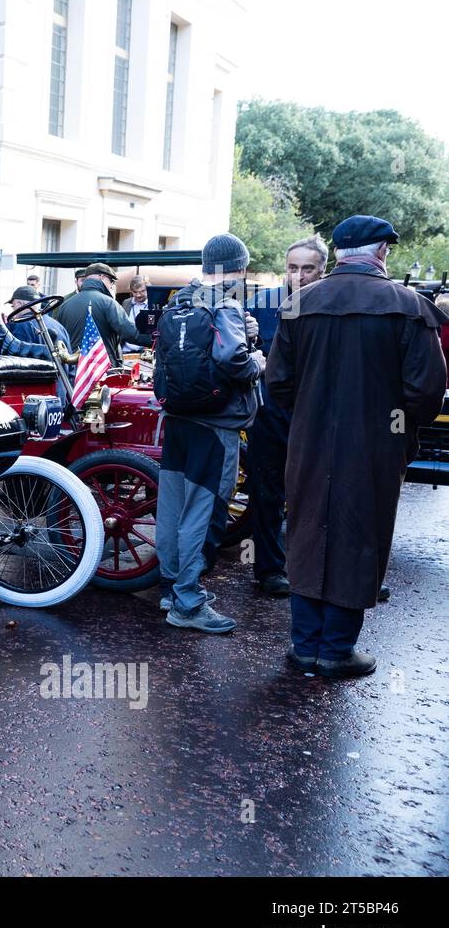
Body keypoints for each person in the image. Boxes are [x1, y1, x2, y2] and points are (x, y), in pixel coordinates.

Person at [266, 215, 446, 678]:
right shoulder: (408, 305)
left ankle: (306, 647)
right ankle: (336, 651)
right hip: (375, 444)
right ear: (382, 252)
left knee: (306, 530)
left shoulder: (301, 303)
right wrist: (400, 430)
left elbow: (278, 383)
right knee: (360, 536)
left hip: (308, 440)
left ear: (339, 252)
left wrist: (306, 417)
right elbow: (427, 390)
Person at [153, 233, 264, 634]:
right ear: (240, 266)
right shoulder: (226, 303)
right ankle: (187, 601)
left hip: (179, 419)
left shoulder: (179, 301)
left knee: (171, 509)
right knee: (206, 511)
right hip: (217, 424)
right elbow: (233, 360)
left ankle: (170, 588)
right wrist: (258, 360)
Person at [243, 234, 328, 597]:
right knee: (267, 493)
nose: (298, 275)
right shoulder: (262, 303)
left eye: (307, 268)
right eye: (292, 268)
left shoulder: (331, 304)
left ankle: (326, 573)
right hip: (270, 413)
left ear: (323, 269)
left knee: (322, 495)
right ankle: (268, 570)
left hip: (318, 415)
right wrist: (246, 334)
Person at [54, 263, 152, 365]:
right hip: (100, 368)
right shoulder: (108, 302)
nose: (111, 285)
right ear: (103, 277)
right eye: (111, 281)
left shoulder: (65, 305)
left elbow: (61, 338)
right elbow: (131, 333)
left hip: (73, 369)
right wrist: (156, 340)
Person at [122, 275, 150, 354]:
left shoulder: (154, 303)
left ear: (148, 289)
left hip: (146, 352)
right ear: (131, 291)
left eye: (142, 291)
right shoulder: (126, 303)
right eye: (135, 292)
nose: (138, 295)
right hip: (126, 351)